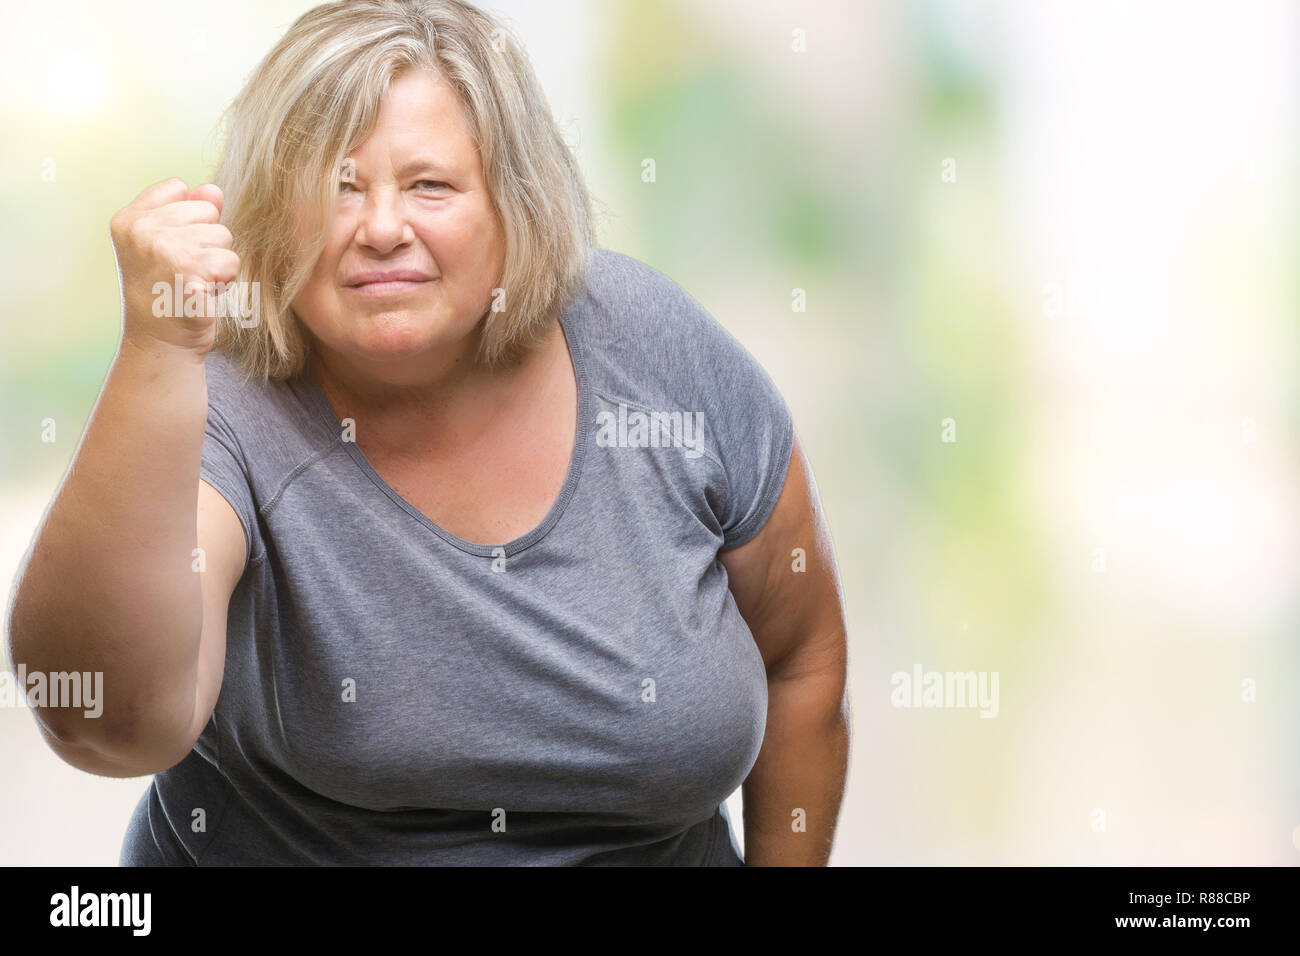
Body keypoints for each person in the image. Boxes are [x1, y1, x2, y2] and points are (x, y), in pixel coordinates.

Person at [6, 0, 849, 865]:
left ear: (515, 205)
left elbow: (804, 659)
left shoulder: (655, 351)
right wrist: (156, 345)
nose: (379, 228)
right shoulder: (225, 394)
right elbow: (106, 722)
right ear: (270, 215)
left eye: (430, 185)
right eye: (335, 186)